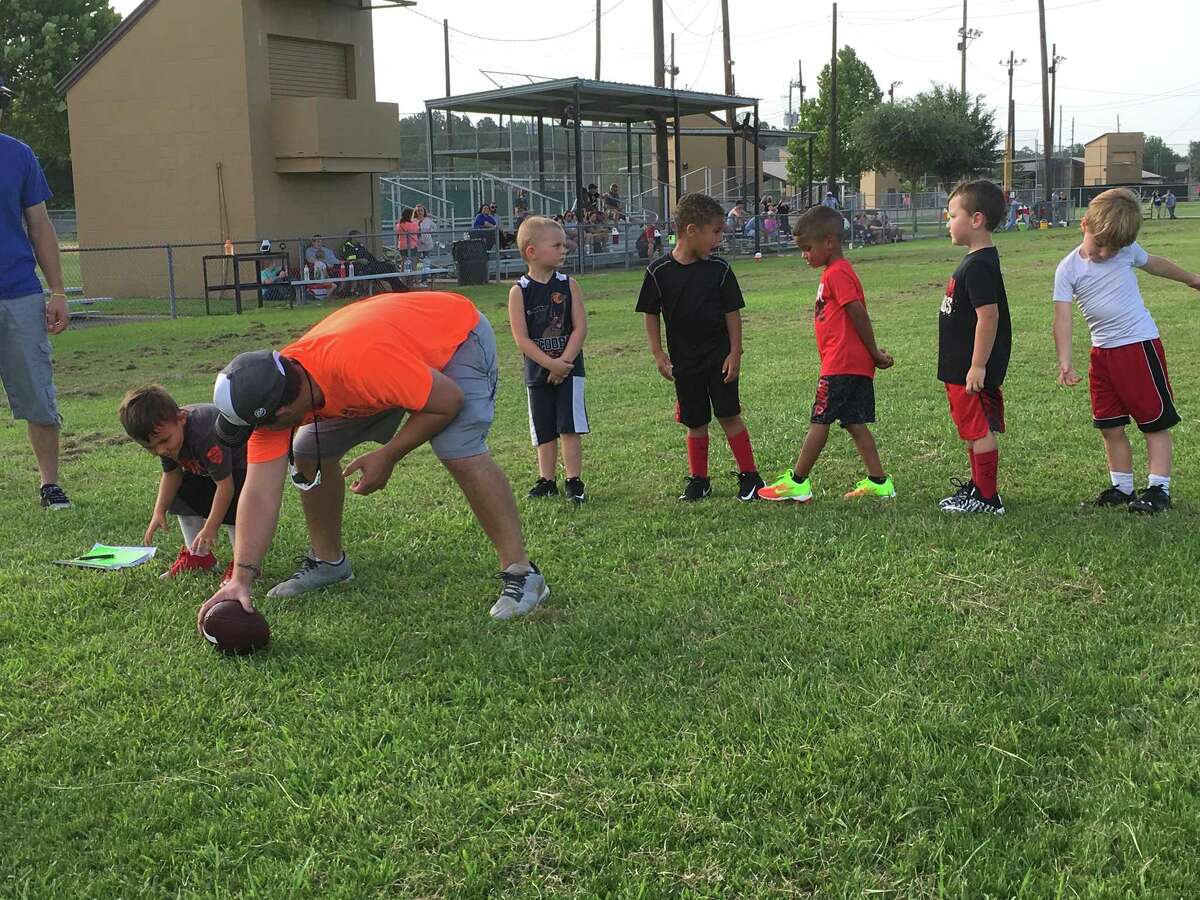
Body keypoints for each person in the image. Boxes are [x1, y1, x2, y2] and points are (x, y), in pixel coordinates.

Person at [200, 292, 550, 623]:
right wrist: (241, 578)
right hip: (391, 366)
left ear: (286, 408)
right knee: (307, 450)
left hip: (455, 339)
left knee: (457, 448)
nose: (261, 433)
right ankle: (329, 562)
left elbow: (448, 402)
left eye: (263, 425)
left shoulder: (358, 363)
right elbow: (259, 492)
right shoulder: (276, 398)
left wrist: (389, 454)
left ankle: (522, 571)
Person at [1052, 188, 1200, 513]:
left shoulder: (1126, 251)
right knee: (1110, 425)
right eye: (1099, 244)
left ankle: (1159, 490)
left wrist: (1191, 279)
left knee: (1153, 422)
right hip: (1102, 356)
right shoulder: (1068, 269)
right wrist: (1065, 359)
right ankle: (1123, 488)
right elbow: (1062, 316)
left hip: (1138, 347)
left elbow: (1156, 264)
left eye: (1113, 247)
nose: (1105, 253)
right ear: (1084, 224)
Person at [759, 205, 895, 504]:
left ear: (830, 242)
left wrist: (873, 351)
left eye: (807, 248)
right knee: (854, 422)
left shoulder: (837, 274)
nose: (804, 255)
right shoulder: (834, 272)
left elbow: (856, 311)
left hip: (842, 364)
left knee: (819, 421)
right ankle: (879, 481)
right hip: (851, 364)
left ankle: (797, 481)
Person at [636, 193, 763, 502]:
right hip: (685, 362)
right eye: (716, 231)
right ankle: (699, 480)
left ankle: (750, 477)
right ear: (691, 230)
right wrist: (658, 353)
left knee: (729, 415)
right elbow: (651, 315)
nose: (720, 238)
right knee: (695, 421)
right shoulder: (658, 272)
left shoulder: (719, 270)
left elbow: (732, 313)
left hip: (719, 359)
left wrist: (735, 352)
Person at [0, 123, 72, 510]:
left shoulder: (18, 154)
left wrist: (57, 290)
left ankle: (50, 485)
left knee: (38, 396)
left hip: (19, 295)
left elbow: (40, 226)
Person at [937, 180, 1012, 515]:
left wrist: (978, 365)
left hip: (970, 367)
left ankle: (987, 497)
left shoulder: (980, 264)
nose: (948, 221)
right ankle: (979, 488)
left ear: (976, 219)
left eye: (953, 215)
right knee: (971, 428)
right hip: (959, 365)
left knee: (978, 428)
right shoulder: (975, 260)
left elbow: (989, 316)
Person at [119, 385, 245, 581]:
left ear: (182, 418)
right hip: (211, 473)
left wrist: (211, 526)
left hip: (242, 470)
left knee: (238, 508)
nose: (160, 450)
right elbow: (171, 475)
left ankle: (243, 565)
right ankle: (199, 557)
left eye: (164, 441)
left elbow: (226, 485)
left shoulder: (204, 434)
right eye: (150, 448)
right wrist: (159, 511)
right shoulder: (168, 438)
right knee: (180, 492)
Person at [508, 217, 589, 504]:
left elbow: (580, 328)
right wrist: (548, 364)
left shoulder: (569, 285)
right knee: (543, 428)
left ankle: (573, 480)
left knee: (569, 425)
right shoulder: (520, 291)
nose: (563, 249)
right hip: (538, 373)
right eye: (556, 245)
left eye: (564, 244)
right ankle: (547, 479)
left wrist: (564, 363)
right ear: (532, 251)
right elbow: (522, 338)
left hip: (570, 371)